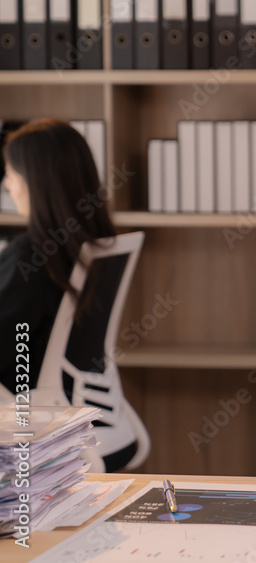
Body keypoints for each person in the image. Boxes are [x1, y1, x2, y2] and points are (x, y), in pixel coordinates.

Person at [0, 119, 138, 472]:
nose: (7, 184)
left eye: (12, 174)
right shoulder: (92, 245)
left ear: (36, 181)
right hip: (96, 417)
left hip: (40, 420)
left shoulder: (31, 255)